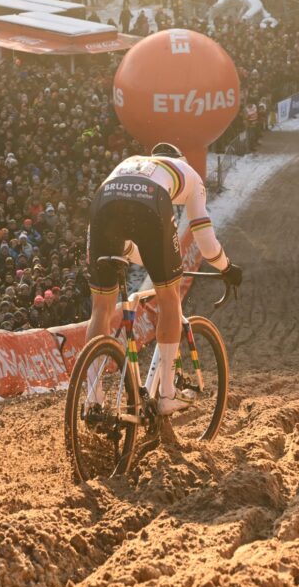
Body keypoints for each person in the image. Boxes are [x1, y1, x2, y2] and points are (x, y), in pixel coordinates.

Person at [84, 142, 240, 415]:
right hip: (149, 204)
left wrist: (147, 258)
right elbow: (204, 239)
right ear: (180, 159)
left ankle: (92, 399)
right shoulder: (189, 174)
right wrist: (226, 268)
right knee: (170, 298)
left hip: (103, 202)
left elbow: (129, 240)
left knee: (100, 309)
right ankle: (167, 394)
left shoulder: (133, 162)